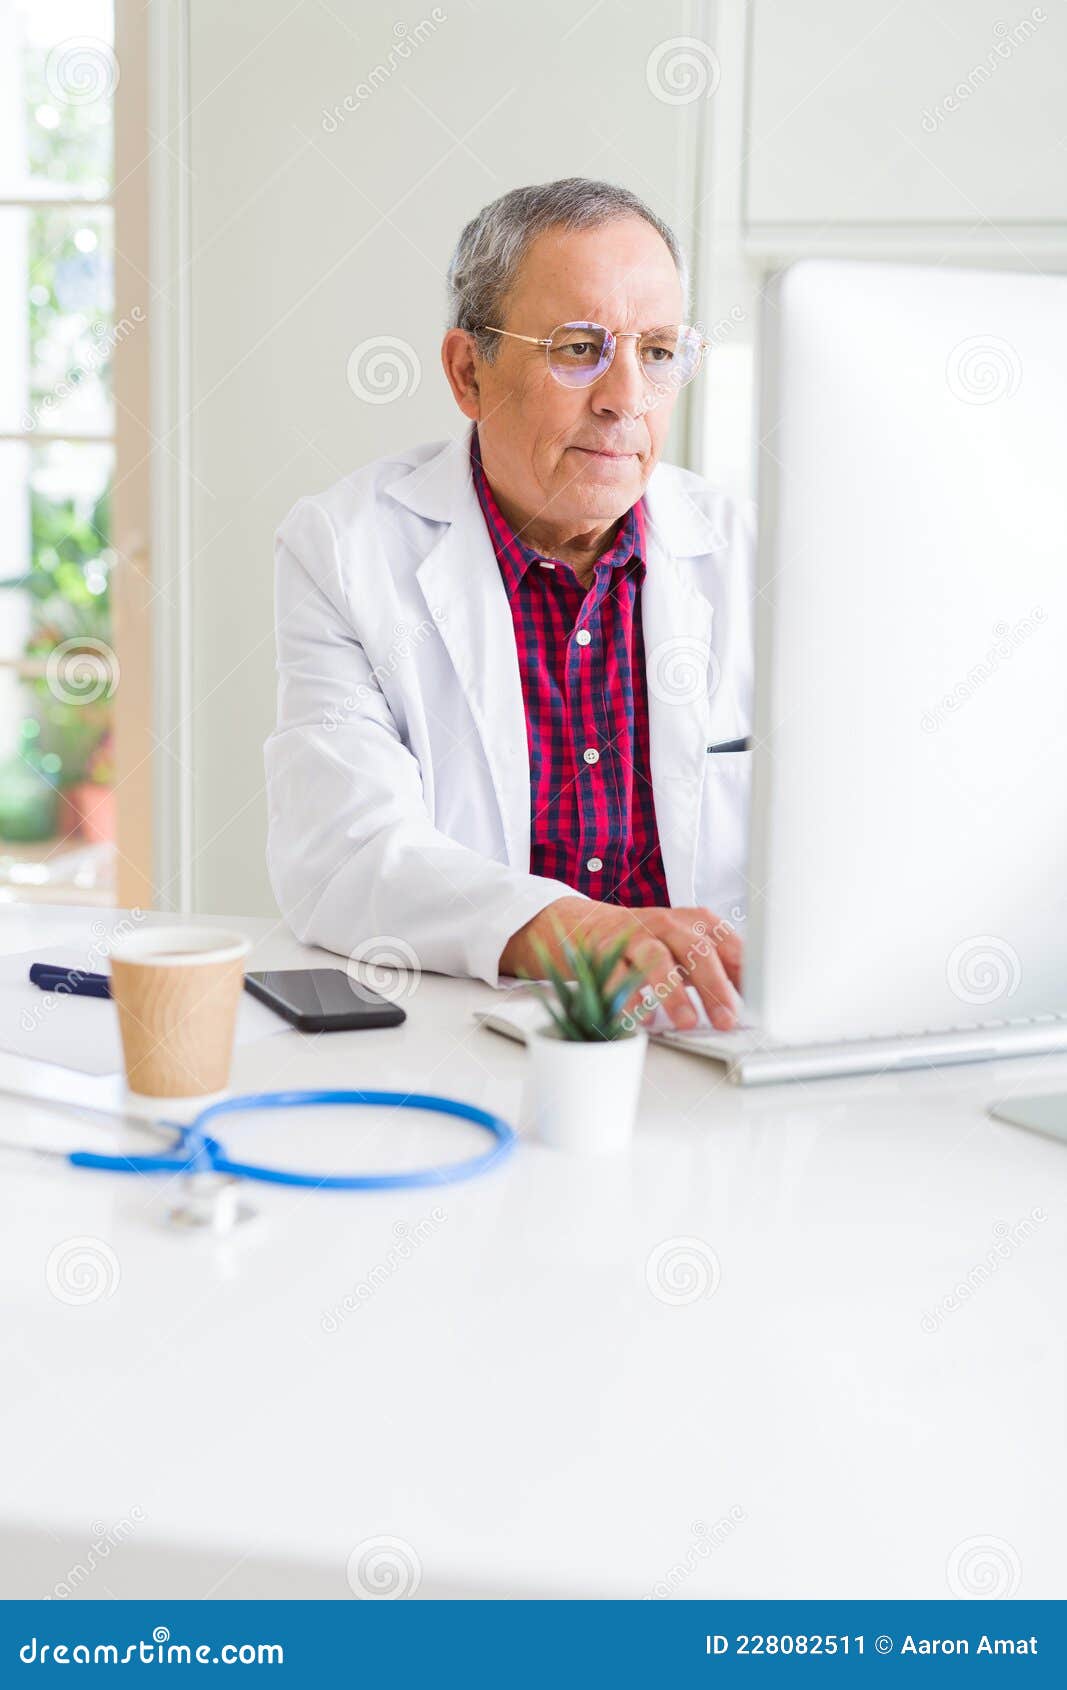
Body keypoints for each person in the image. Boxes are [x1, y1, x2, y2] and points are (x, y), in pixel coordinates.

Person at [265, 178, 753, 1030]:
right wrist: (590, 934)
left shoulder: (754, 552)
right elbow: (344, 855)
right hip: (469, 1036)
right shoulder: (345, 550)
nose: (626, 397)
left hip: (714, 1031)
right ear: (467, 371)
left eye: (660, 351)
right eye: (578, 349)